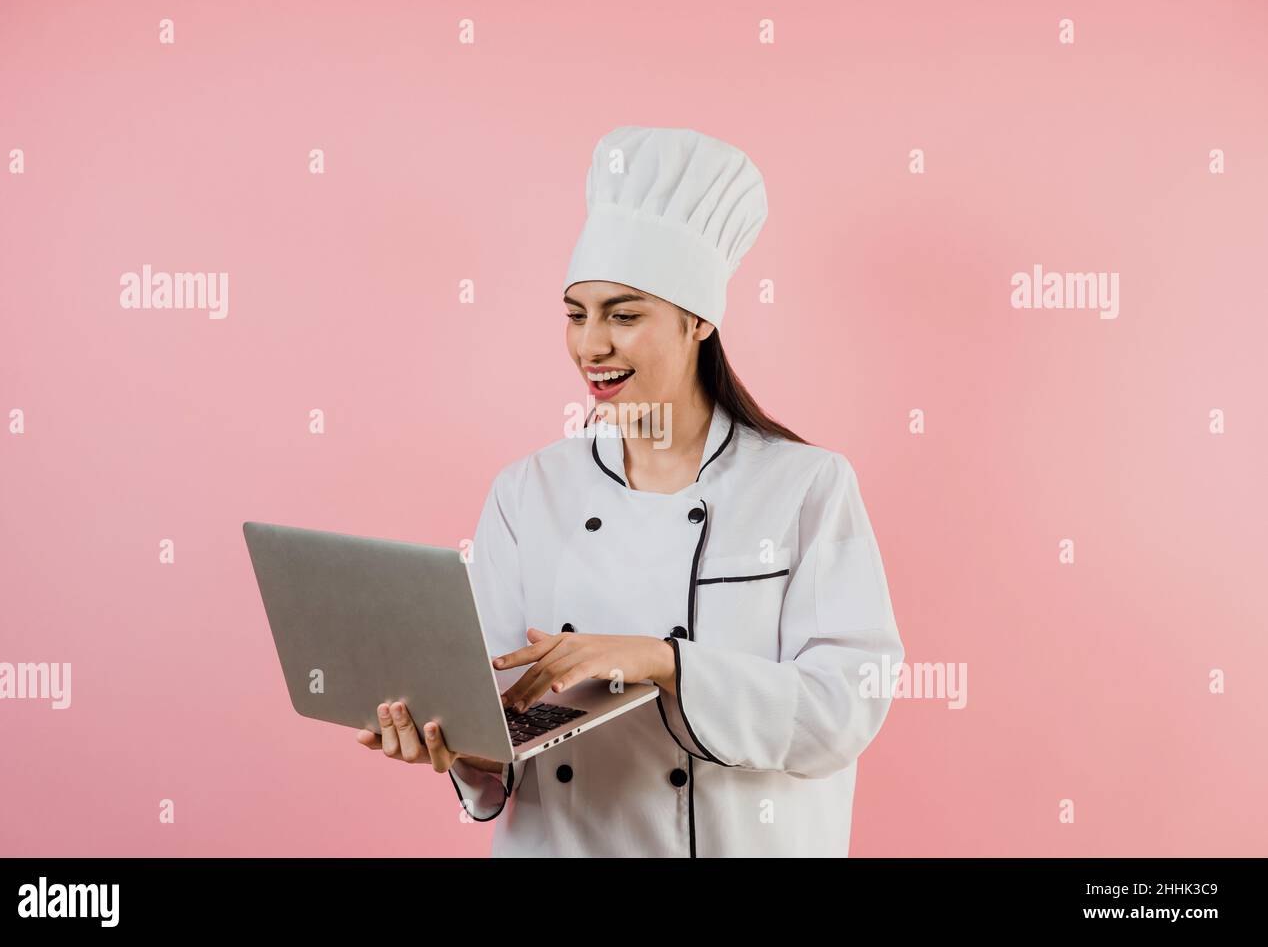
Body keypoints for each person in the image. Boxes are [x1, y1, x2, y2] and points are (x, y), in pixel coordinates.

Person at [357, 125, 905, 856]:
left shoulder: (805, 485)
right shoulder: (529, 492)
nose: (591, 346)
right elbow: (496, 722)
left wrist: (666, 662)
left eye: (623, 315)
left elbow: (843, 709)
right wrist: (454, 746)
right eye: (576, 315)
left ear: (699, 320)